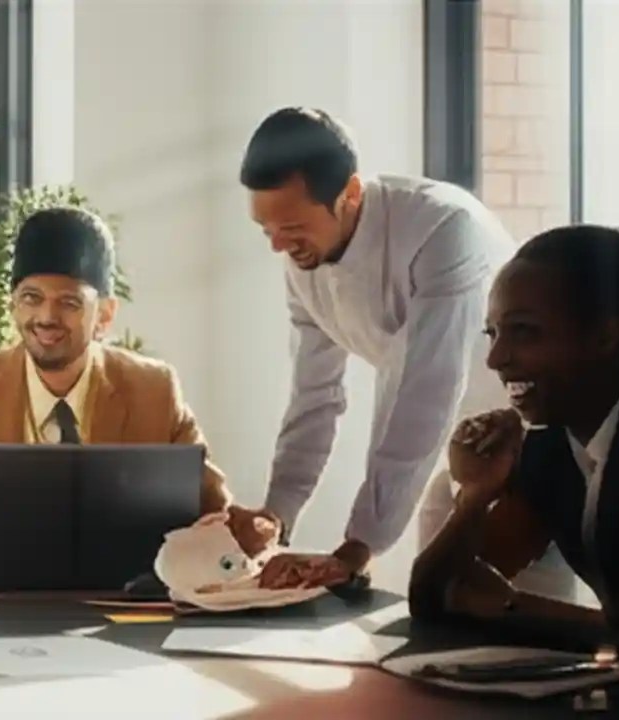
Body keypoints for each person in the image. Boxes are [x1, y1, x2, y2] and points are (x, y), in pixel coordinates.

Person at [236, 107, 573, 595]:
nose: (278, 247)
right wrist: (277, 516)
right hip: (462, 454)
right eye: (265, 229)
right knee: (434, 615)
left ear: (350, 194)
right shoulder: (302, 259)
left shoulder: (443, 228)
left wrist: (358, 546)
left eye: (291, 228)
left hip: (540, 452)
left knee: (519, 631)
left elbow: (425, 390)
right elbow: (314, 398)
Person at [0, 206, 274, 577]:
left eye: (68, 302)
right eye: (31, 298)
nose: (46, 317)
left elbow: (214, 514)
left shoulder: (154, 389)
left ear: (104, 314)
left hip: (126, 613)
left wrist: (248, 531)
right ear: (14, 306)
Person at [410, 225, 619, 660]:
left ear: (605, 336)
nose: (496, 358)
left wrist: (516, 608)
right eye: (492, 333)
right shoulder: (552, 447)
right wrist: (476, 494)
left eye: (523, 331)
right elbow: (440, 597)